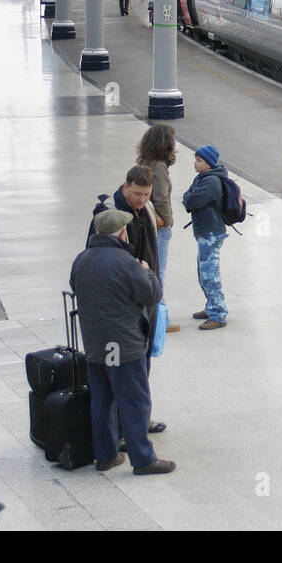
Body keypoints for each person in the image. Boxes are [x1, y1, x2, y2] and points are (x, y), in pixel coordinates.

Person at [69, 208, 175, 476]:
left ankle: (105, 455)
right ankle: (142, 458)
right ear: (121, 232)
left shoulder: (81, 260)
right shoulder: (126, 262)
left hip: (96, 343)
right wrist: (148, 272)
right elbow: (151, 294)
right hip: (123, 345)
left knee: (102, 399)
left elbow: (76, 286)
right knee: (134, 400)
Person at [182, 145, 230, 329]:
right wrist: (189, 198)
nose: (195, 163)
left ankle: (218, 313)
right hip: (205, 231)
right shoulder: (202, 178)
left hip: (210, 232)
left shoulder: (210, 182)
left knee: (210, 274)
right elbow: (188, 197)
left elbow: (192, 200)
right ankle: (212, 307)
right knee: (204, 273)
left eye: (199, 160)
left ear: (209, 163)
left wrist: (189, 198)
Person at [137, 125, 179, 333]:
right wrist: (169, 221)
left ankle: (152, 315)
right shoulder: (160, 167)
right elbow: (161, 197)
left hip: (146, 223)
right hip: (159, 225)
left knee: (150, 267)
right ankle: (162, 319)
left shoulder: (145, 162)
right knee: (158, 270)